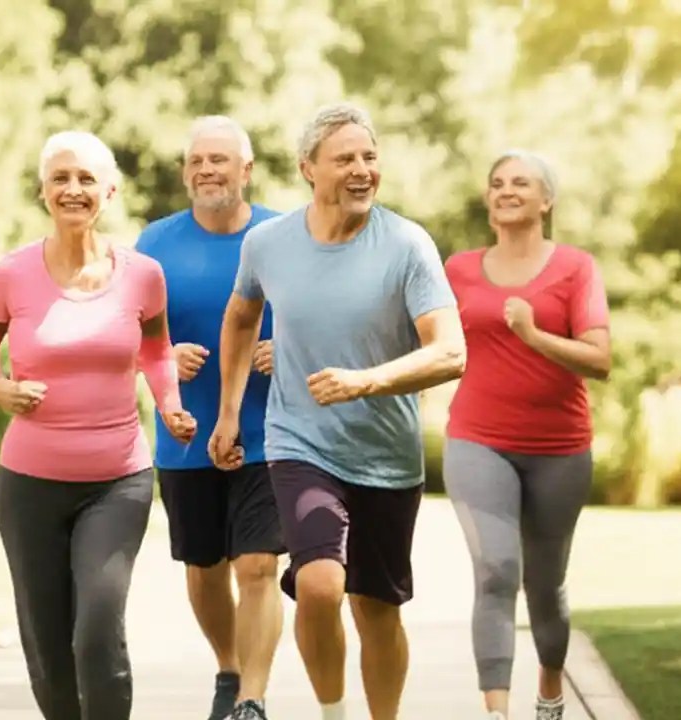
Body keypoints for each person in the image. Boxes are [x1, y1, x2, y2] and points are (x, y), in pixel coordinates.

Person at [208, 102, 466, 720]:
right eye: (345, 158)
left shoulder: (407, 244)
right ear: (308, 168)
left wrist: (366, 382)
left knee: (376, 609)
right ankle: (333, 712)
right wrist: (228, 411)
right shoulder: (268, 243)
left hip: (385, 456)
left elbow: (451, 352)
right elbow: (241, 315)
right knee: (319, 586)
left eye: (369, 157)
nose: (361, 170)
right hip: (300, 443)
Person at [0, 130, 197, 720]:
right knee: (47, 642)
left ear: (108, 191)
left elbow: (157, 352)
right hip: (29, 485)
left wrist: (169, 405)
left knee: (96, 628)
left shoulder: (143, 276)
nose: (73, 188)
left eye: (86, 178)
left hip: (118, 480)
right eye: (61, 178)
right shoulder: (9, 276)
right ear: (43, 191)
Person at [442, 150, 611, 720]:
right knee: (495, 571)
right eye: (496, 183)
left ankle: (550, 690)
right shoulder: (458, 270)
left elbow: (600, 359)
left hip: (559, 450)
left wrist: (533, 334)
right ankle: (497, 712)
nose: (506, 190)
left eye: (521, 182)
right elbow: (419, 338)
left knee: (545, 587)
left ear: (546, 200)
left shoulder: (576, 268)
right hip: (476, 438)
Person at [134, 115, 284, 720]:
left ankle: (253, 695)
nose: (205, 170)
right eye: (196, 161)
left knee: (258, 563)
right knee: (203, 566)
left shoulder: (283, 235)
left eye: (218, 160)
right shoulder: (155, 244)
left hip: (270, 431)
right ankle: (228, 667)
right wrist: (163, 358)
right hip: (185, 433)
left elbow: (321, 315)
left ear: (245, 170)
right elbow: (130, 335)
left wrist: (294, 350)